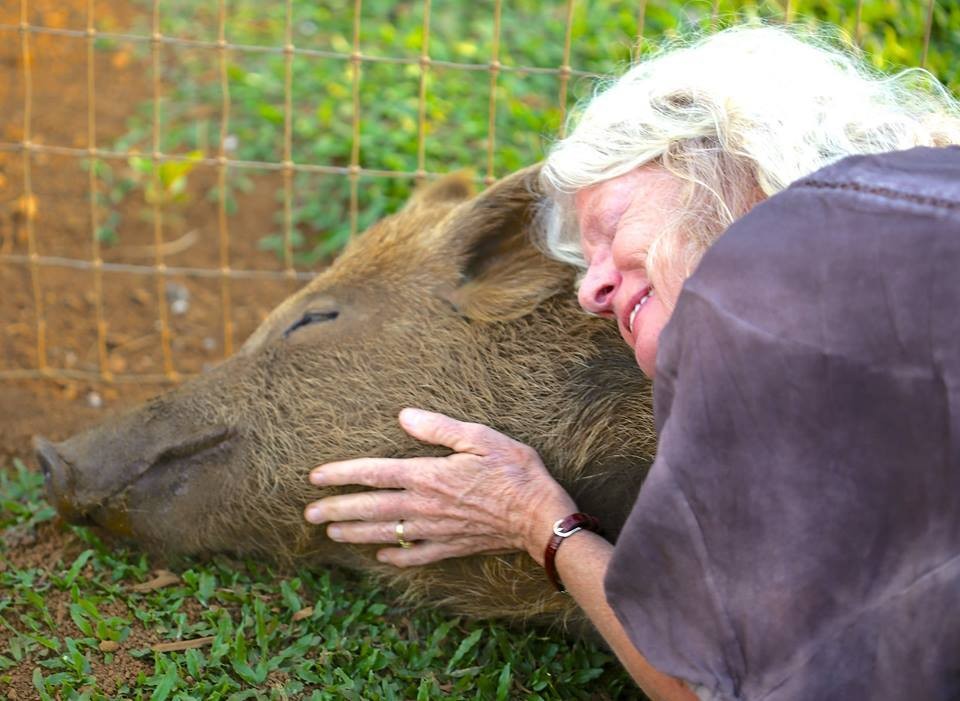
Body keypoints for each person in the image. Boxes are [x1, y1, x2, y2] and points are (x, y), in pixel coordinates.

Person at [302, 26, 960, 700]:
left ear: (719, 156)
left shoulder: (773, 295)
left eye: (610, 229)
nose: (588, 293)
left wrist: (537, 521)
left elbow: (708, 683)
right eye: (586, 264)